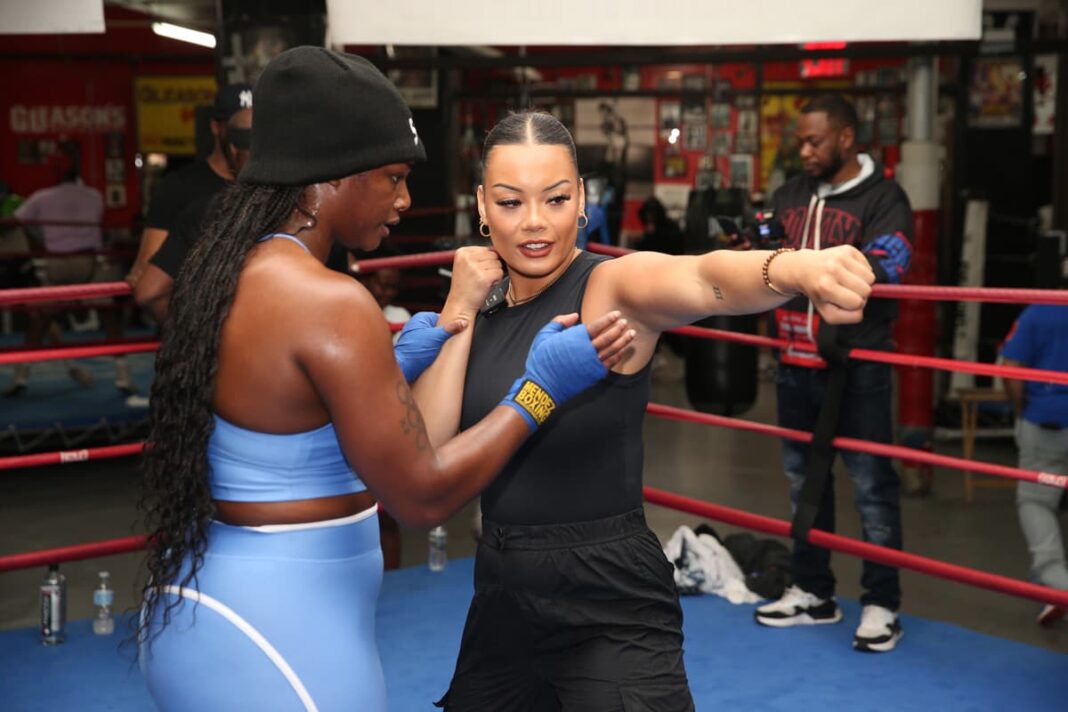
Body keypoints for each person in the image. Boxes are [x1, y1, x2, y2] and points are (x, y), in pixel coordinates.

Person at [135, 47, 634, 712]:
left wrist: (390, 367)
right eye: (393, 177)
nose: (403, 199)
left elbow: (284, 412)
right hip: (281, 641)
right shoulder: (330, 300)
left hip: (209, 605)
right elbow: (421, 500)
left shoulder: (229, 269)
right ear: (331, 176)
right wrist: (540, 389)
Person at [418, 110, 875, 711]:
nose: (534, 223)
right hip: (501, 595)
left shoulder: (608, 289)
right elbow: (425, 454)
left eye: (555, 199)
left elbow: (703, 278)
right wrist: (459, 305)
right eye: (510, 203)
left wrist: (793, 267)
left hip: (607, 597)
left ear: (581, 197)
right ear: (481, 204)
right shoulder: (480, 304)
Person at [751, 95, 913, 653]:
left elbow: (891, 262)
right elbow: (764, 257)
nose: (804, 150)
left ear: (846, 138)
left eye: (814, 140)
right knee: (804, 483)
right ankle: (814, 592)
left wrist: (822, 268)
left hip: (859, 366)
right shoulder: (790, 194)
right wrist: (747, 252)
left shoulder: (884, 198)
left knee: (872, 487)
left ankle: (881, 603)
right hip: (795, 364)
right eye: (800, 140)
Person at [6, 155, 134, 397]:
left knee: (40, 320)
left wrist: (39, 238)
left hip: (56, 265)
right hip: (87, 264)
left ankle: (20, 377)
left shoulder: (41, 197)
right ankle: (123, 376)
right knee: (108, 318)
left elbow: (13, 222)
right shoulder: (94, 195)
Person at [127, 83, 253, 304]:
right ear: (216, 127)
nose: (245, 139)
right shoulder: (180, 187)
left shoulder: (269, 189)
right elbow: (147, 276)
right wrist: (196, 332)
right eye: (236, 129)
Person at [1001, 303, 1068, 626]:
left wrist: (1021, 409)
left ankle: (1057, 585)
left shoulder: (1041, 309)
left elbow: (1011, 367)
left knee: (1036, 501)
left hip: (1046, 422)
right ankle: (1051, 589)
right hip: (1047, 421)